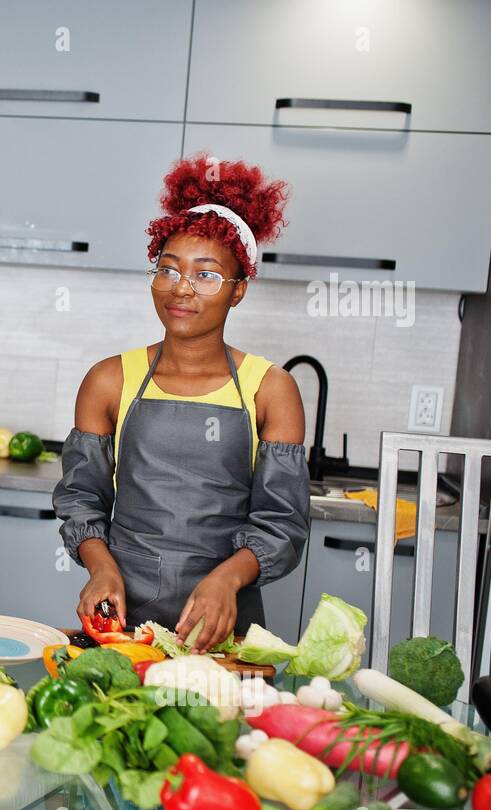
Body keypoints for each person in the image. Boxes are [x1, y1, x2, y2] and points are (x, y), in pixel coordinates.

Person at [54, 154, 310, 653]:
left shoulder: (271, 389)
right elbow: (82, 499)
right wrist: (102, 569)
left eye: (207, 275)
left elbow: (282, 523)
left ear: (238, 290)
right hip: (121, 623)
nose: (182, 289)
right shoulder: (109, 380)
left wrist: (225, 581)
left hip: (225, 630)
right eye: (167, 270)